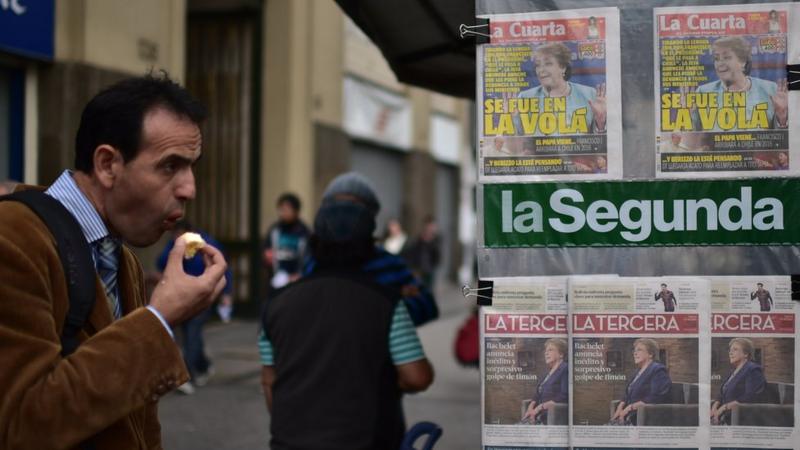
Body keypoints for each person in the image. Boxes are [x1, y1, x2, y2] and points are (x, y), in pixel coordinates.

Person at [0, 74, 228, 449]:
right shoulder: (13, 237)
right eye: (170, 166)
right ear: (107, 164)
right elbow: (23, 425)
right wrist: (160, 318)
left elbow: (137, 421)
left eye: (191, 167)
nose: (189, 189)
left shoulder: (122, 259)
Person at [260, 196, 434, 449]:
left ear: (314, 244)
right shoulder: (386, 304)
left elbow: (269, 380)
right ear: (370, 247)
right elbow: (417, 378)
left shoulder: (276, 304)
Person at [155, 220, 233, 393]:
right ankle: (204, 365)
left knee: (192, 333)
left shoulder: (206, 244)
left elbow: (224, 268)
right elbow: (160, 262)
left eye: (179, 234)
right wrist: (175, 253)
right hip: (181, 296)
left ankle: (186, 375)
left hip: (201, 296)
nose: (176, 237)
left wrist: (226, 293)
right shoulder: (174, 245)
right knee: (191, 335)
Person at [692, 36, 788, 131]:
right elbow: (691, 138)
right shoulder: (703, 92)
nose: (720, 63)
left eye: (727, 57)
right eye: (716, 58)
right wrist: (687, 116)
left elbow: (782, 137)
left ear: (743, 61)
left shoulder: (770, 89)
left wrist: (782, 116)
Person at [517, 42, 607, 135]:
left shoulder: (590, 94)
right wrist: (511, 119)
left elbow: (599, 140)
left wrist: (600, 121)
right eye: (538, 65)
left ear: (563, 67)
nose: (541, 70)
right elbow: (514, 142)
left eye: (548, 63)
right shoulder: (525, 97)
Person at [609, 338, 672, 425]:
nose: (635, 353)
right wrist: (620, 406)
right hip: (627, 416)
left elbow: (655, 397)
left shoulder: (658, 370)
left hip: (641, 417)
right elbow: (628, 393)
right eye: (634, 350)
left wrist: (629, 408)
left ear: (650, 354)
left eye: (639, 350)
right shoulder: (636, 372)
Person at [711, 338, 767, 425]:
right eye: (730, 350)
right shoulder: (733, 372)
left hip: (741, 419)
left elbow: (749, 397)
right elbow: (722, 393)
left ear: (746, 354)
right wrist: (715, 407)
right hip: (725, 417)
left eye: (735, 349)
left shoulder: (753, 369)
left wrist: (724, 407)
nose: (730, 353)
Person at [262, 192, 310, 290]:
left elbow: (309, 258)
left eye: (287, 209)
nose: (284, 213)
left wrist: (300, 275)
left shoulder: (304, 232)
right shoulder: (275, 230)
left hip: (298, 281)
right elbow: (266, 250)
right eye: (281, 209)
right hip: (277, 279)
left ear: (296, 211)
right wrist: (267, 256)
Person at [521, 338, 568, 425]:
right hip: (537, 416)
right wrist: (531, 407)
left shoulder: (565, 369)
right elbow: (537, 394)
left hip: (548, 417)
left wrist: (539, 408)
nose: (546, 353)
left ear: (561, 354)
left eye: (550, 350)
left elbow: (564, 396)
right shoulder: (547, 373)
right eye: (546, 351)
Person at [405, 216, 442, 291]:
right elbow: (414, 252)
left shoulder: (436, 239)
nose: (429, 228)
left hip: (430, 269)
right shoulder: (419, 238)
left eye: (431, 226)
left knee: (429, 289)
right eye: (428, 226)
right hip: (419, 268)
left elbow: (437, 254)